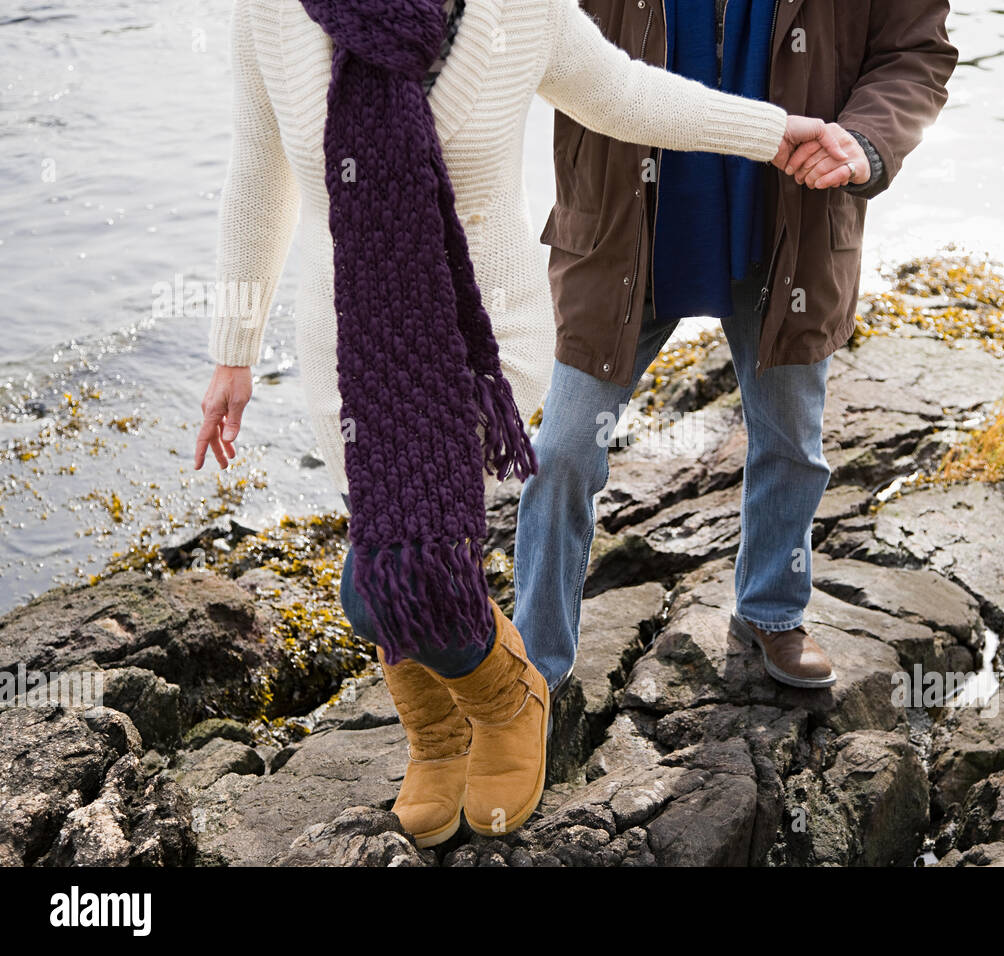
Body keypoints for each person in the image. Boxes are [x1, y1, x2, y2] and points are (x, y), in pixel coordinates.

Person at [193, 0, 845, 846]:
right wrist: (233, 349)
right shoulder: (272, 14)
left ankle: (508, 697)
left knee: (389, 572)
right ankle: (436, 735)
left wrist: (773, 131)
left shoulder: (517, 7)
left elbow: (624, 94)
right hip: (345, 349)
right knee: (385, 556)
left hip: (477, 341)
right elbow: (258, 173)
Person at [514, 0, 958, 692]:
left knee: (790, 443)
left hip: (791, 222)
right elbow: (517, 34)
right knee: (563, 451)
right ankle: (534, 668)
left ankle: (772, 610)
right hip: (621, 227)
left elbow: (915, 53)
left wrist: (864, 141)